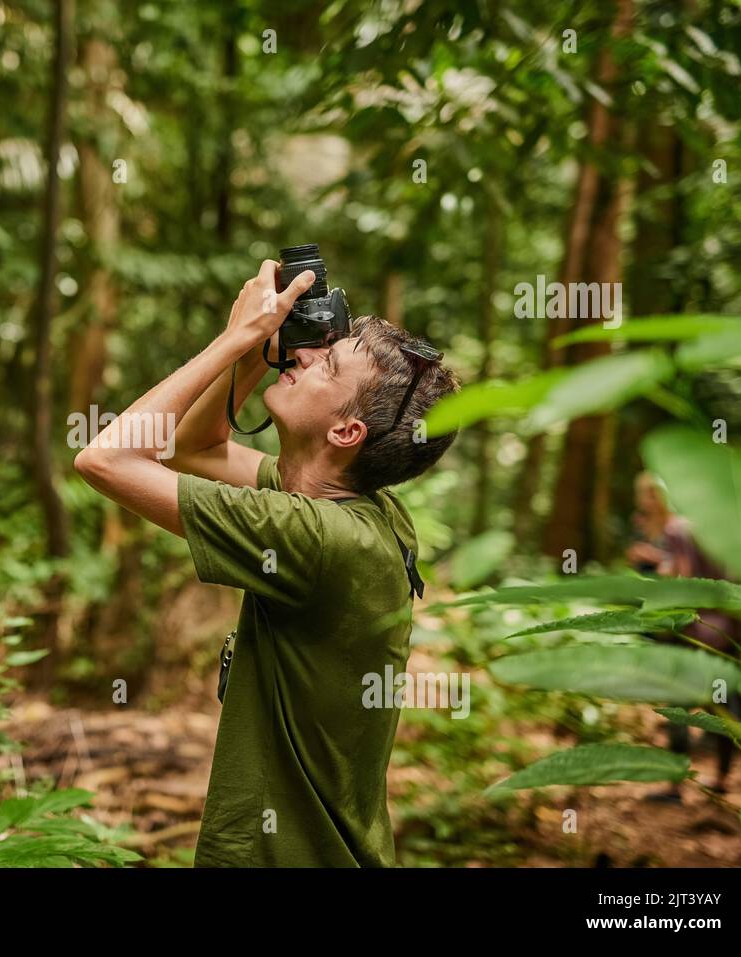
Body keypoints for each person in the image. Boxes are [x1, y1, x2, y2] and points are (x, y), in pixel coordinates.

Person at [74, 260, 460, 866]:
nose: (306, 358)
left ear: (346, 431)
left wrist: (236, 339)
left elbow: (105, 459)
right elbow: (197, 448)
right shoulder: (364, 512)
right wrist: (257, 351)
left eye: (327, 366)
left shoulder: (319, 538)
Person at [628, 471, 741, 798]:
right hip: (725, 630)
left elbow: (683, 576)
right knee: (725, 706)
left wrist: (649, 563)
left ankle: (675, 786)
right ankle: (722, 779)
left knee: (678, 706)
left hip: (695, 630)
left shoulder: (676, 529)